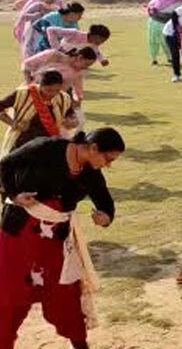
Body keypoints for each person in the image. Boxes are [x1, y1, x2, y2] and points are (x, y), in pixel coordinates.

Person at [0, 128, 125, 349]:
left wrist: (105, 217)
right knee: (11, 294)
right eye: (108, 159)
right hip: (19, 234)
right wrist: (14, 194)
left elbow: (105, 201)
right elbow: (6, 164)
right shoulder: (46, 147)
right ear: (93, 148)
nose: (109, 165)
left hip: (56, 240)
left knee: (65, 294)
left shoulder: (90, 172)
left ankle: (79, 343)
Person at [0, 71, 77, 156]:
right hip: (22, 142)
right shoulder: (23, 93)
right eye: (48, 90)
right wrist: (14, 124)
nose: (52, 94)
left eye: (57, 90)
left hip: (47, 144)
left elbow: (71, 115)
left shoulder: (63, 98)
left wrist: (72, 121)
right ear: (40, 85)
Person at [22, 48, 97, 105]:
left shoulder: (78, 72)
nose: (86, 68)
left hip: (53, 102)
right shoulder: (52, 55)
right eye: (86, 64)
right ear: (80, 58)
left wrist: (77, 100)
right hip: (32, 93)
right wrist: (29, 84)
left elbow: (78, 89)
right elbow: (27, 64)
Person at [146, 0, 182, 65]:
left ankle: (169, 58)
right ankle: (154, 58)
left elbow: (176, 14)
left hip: (165, 24)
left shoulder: (177, 2)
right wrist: (153, 11)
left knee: (166, 41)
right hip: (154, 22)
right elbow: (151, 6)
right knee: (153, 40)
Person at [46, 25, 111, 67]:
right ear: (96, 36)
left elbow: (97, 52)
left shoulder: (93, 44)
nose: (102, 43)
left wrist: (102, 60)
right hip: (54, 59)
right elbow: (50, 30)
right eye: (102, 40)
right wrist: (57, 48)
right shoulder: (74, 33)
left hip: (68, 63)